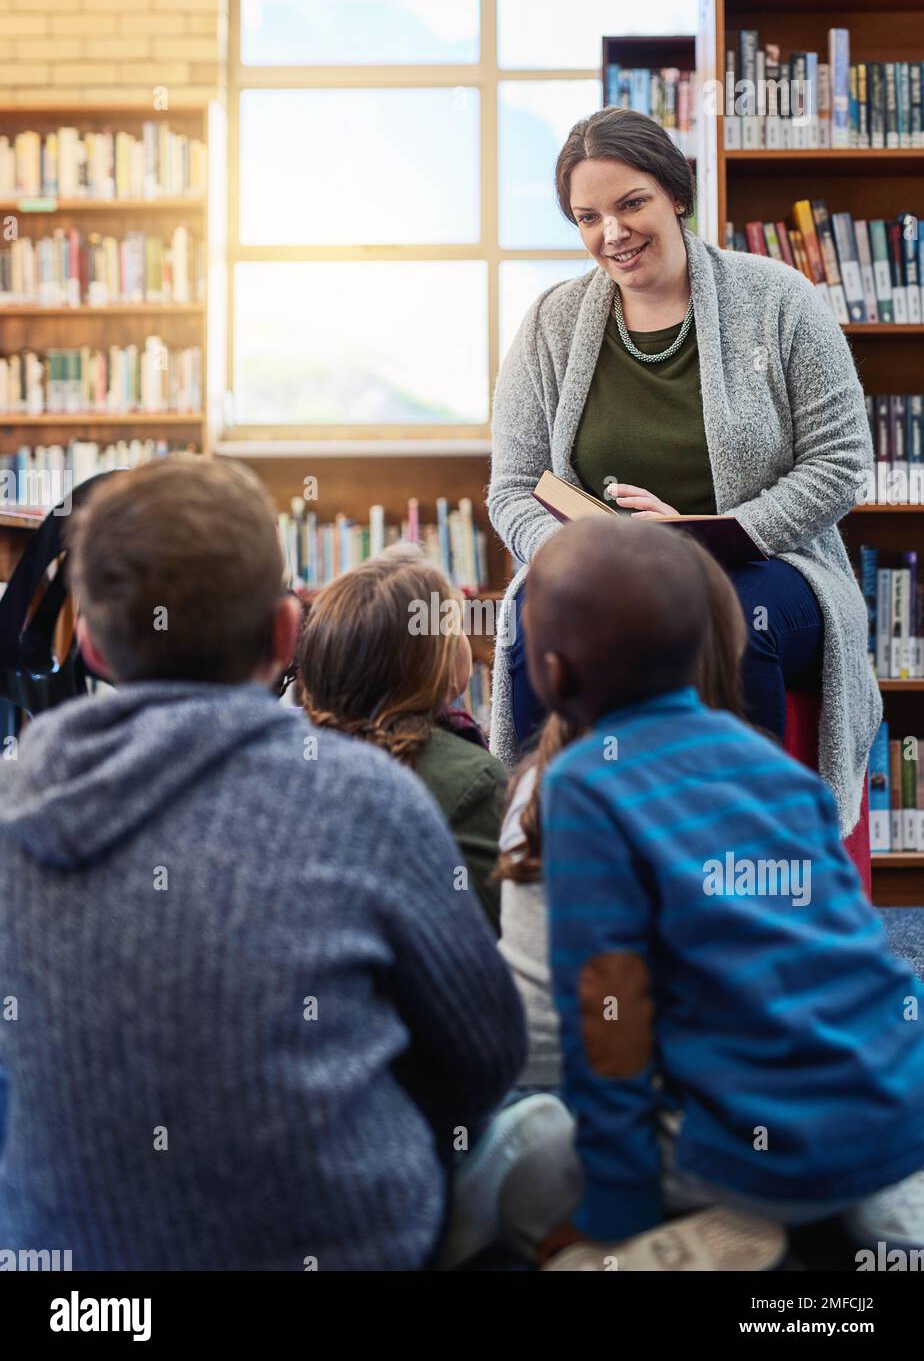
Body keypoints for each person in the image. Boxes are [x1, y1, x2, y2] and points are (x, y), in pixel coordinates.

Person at [0, 455, 526, 1271]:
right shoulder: (372, 799)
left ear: (93, 647)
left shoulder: (12, 811)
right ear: (288, 633)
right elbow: (486, 1057)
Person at [523, 515, 924, 1263]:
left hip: (756, 1147)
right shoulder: (779, 770)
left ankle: (733, 1230)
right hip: (897, 1105)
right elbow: (857, 941)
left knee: (529, 1163)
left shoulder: (585, 783)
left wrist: (617, 1209)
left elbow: (609, 1008)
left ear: (554, 672)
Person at [487, 105, 880, 841]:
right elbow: (511, 487)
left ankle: (744, 861)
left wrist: (709, 539)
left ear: (676, 191)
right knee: (530, 618)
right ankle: (543, 857)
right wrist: (585, 556)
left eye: (631, 203)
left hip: (770, 567)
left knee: (731, 622)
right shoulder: (551, 323)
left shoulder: (779, 299)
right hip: (604, 571)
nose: (613, 234)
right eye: (588, 216)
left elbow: (840, 462)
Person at [497, 538, 750, 1092]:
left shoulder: (545, 792)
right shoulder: (772, 793)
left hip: (566, 1100)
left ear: (553, 674)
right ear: (727, 648)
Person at [295, 545, 508, 930]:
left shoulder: (294, 760)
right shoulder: (474, 781)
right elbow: (496, 934)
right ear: (435, 664)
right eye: (457, 626)